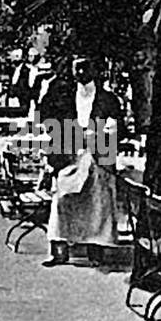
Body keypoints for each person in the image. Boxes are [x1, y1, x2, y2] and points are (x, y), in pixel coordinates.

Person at [39, 57, 122, 268]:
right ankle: (59, 250)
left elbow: (118, 128)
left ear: (95, 70)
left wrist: (103, 132)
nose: (82, 71)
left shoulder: (108, 99)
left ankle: (96, 250)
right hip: (69, 154)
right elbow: (47, 120)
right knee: (62, 199)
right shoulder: (62, 96)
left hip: (98, 156)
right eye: (78, 67)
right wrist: (67, 134)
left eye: (87, 66)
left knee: (97, 203)